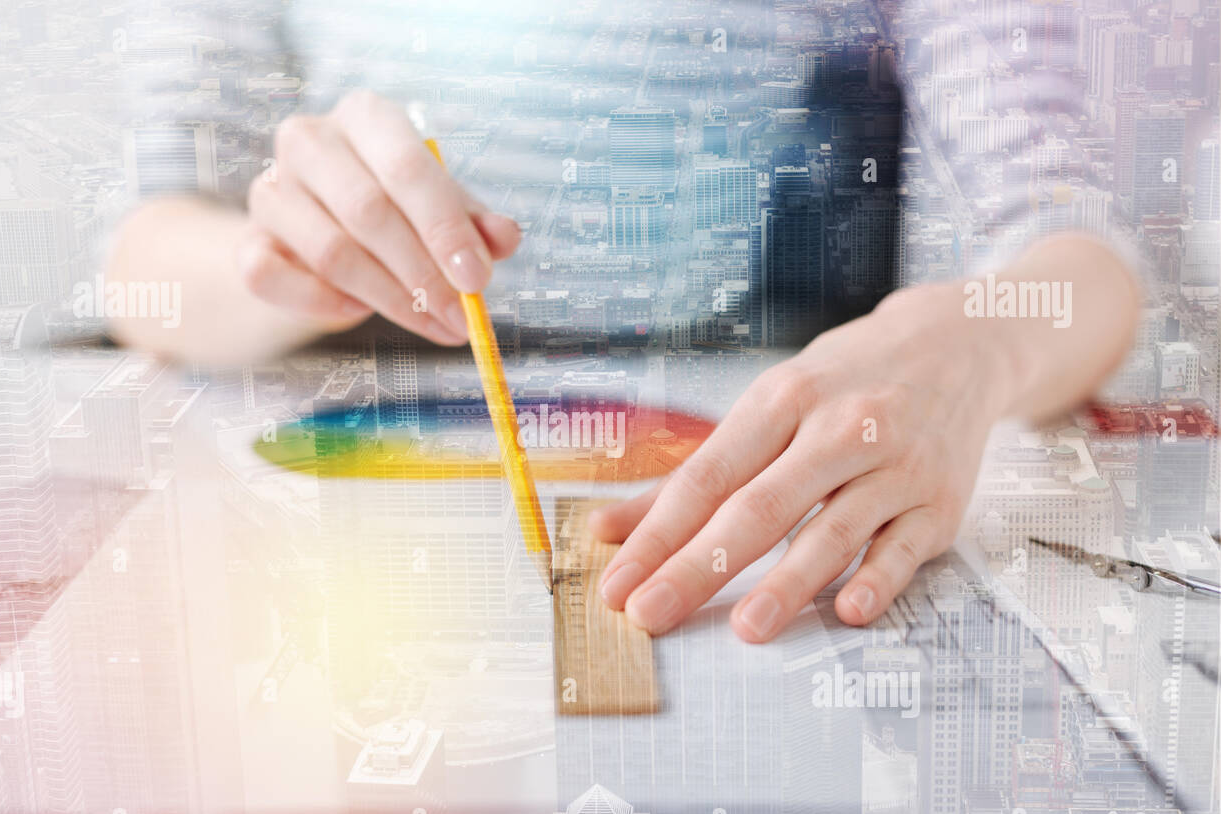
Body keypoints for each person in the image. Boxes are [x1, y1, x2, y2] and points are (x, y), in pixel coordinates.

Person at [106, 2, 1141, 642]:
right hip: (340, 530)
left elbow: (1079, 257)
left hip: (752, 456)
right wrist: (278, 264)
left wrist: (973, 345)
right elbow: (142, 262)